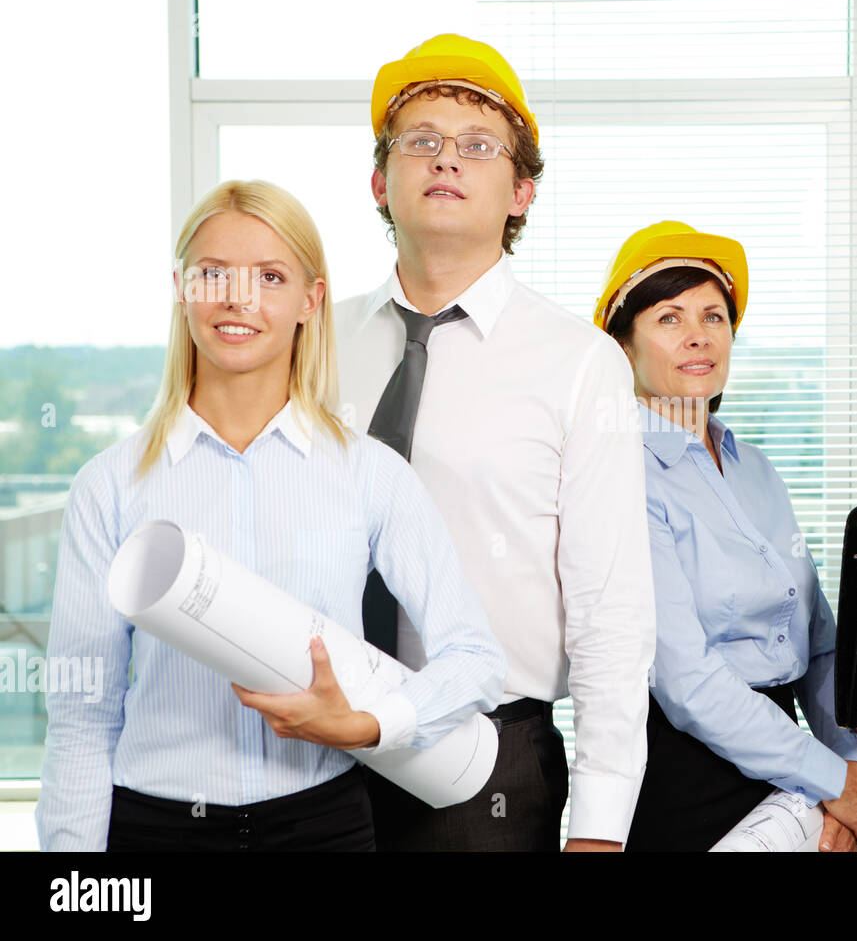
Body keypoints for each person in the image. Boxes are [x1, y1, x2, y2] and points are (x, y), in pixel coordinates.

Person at [36, 180, 506, 851]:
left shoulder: (369, 474)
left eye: (271, 275)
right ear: (182, 289)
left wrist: (372, 723)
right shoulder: (109, 486)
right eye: (214, 274)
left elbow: (475, 658)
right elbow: (81, 714)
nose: (239, 298)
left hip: (324, 825)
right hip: (157, 831)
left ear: (310, 299)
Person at [336, 35, 656, 851]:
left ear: (521, 192)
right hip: (312, 749)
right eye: (422, 142)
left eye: (478, 147)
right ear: (381, 181)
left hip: (487, 762)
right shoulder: (315, 343)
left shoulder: (579, 363)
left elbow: (609, 608)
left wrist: (601, 823)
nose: (447, 160)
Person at [595, 222, 857, 852]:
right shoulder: (618, 474)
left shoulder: (757, 469)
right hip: (683, 770)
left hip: (791, 768)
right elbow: (685, 681)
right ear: (624, 348)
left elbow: (817, 642)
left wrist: (851, 777)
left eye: (713, 316)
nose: (697, 336)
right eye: (668, 318)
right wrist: (830, 779)